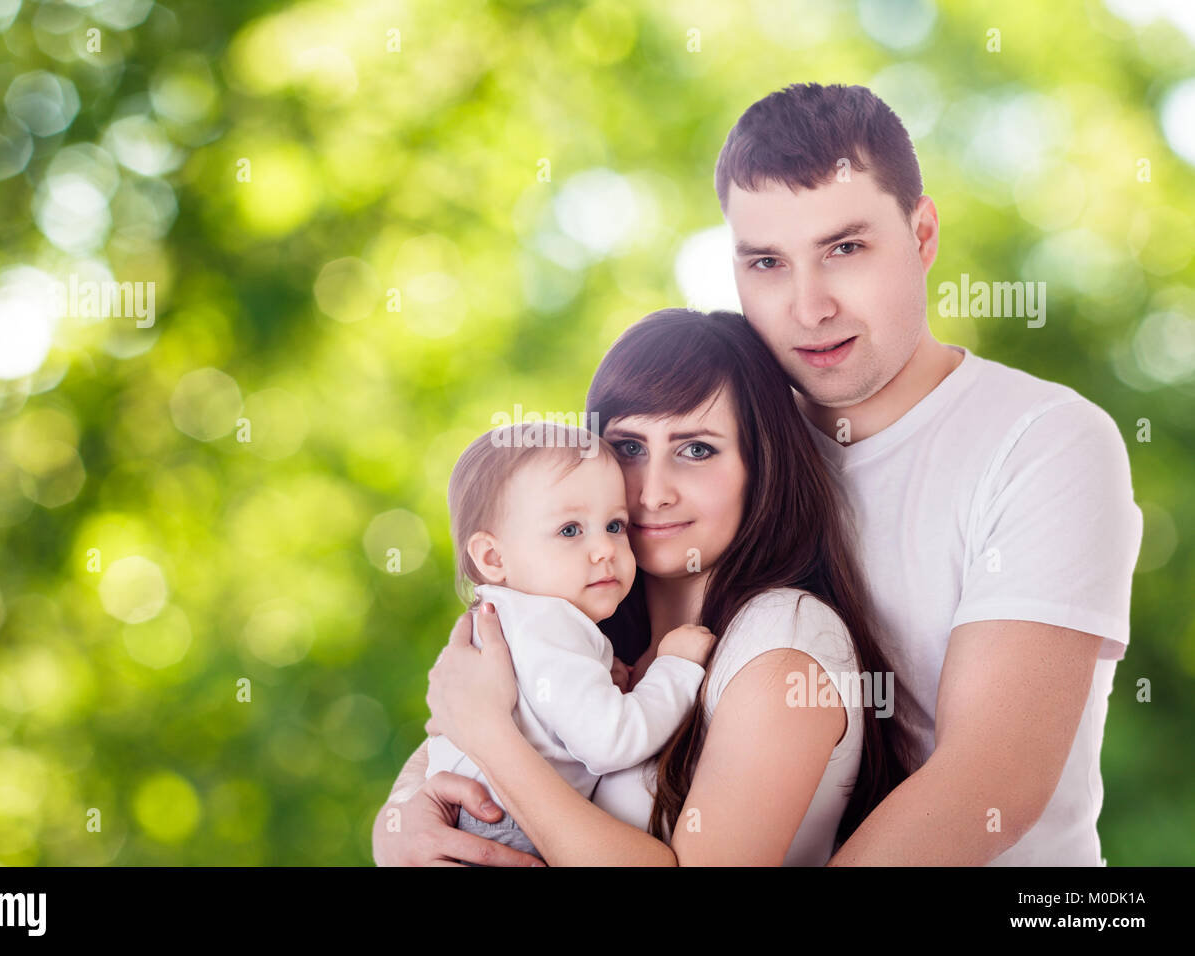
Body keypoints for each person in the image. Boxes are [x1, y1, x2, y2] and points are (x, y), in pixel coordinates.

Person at [376, 81, 1143, 866]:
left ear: (922, 234)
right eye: (767, 262)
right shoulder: (721, 430)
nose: (809, 306)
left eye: (845, 249)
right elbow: (522, 672)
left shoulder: (1042, 442)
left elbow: (992, 778)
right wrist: (409, 810)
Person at [381, 308, 916, 865]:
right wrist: (396, 823)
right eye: (630, 448)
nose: (651, 493)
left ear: (761, 467)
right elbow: (448, 737)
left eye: (696, 449)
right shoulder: (587, 618)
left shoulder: (782, 646)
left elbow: (476, 721)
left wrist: (489, 736)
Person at [425, 422, 712, 863]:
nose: (605, 549)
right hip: (504, 826)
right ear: (493, 558)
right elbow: (611, 741)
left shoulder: (515, 619)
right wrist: (675, 668)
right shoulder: (547, 624)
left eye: (615, 525)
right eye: (570, 531)